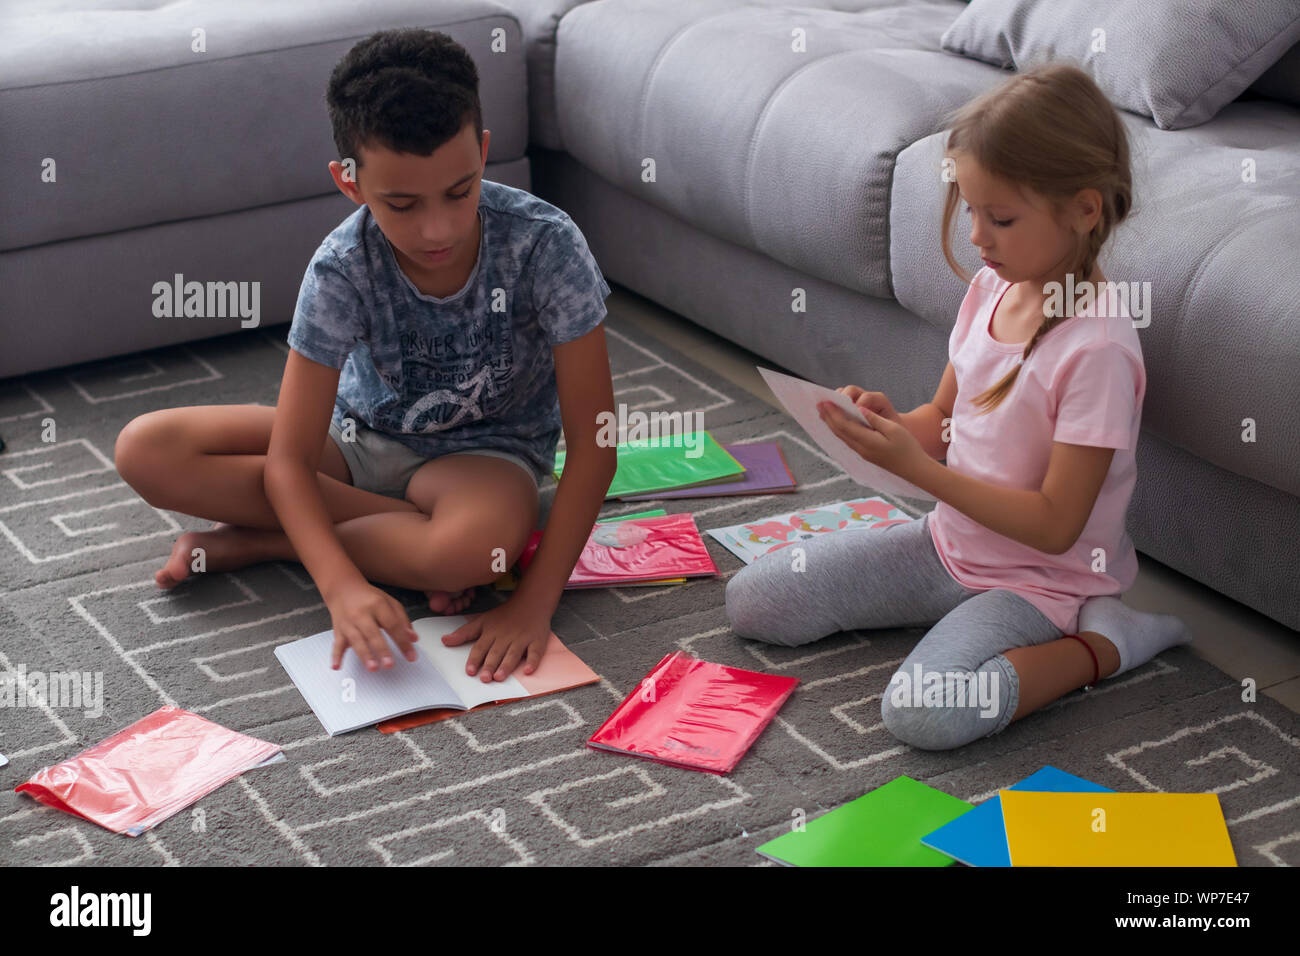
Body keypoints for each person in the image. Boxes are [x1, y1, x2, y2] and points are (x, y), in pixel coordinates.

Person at [115, 29, 617, 682]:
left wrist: (533, 603)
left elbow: (596, 445)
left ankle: (269, 543)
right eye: (402, 204)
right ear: (348, 182)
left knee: (476, 553)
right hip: (353, 440)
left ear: (484, 153)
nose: (437, 228)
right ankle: (379, 537)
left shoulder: (546, 246)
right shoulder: (340, 267)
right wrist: (342, 588)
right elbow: (292, 463)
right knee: (145, 448)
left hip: (487, 457)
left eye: (459, 191)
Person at [725, 63, 1190, 751]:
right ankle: (961, 625)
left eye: (1000, 218)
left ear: (1083, 210)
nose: (977, 238)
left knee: (923, 711)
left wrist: (918, 471)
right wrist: (887, 427)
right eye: (971, 210)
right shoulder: (994, 291)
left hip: (1040, 583)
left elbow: (1058, 525)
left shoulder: (1097, 351)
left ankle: (1106, 643)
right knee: (755, 599)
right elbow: (943, 423)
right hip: (946, 549)